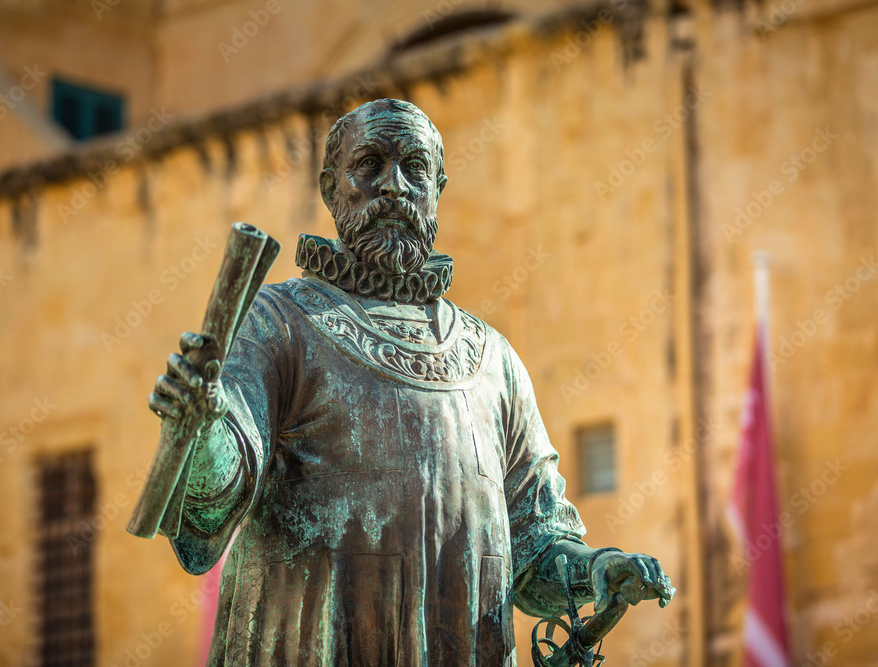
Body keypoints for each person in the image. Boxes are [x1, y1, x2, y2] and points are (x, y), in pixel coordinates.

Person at [148, 98, 674, 666]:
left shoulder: (493, 361)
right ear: (331, 189)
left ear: (438, 189)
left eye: (414, 169)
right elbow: (215, 497)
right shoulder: (280, 322)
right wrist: (200, 425)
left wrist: (595, 570)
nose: (394, 187)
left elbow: (535, 547)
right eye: (369, 165)